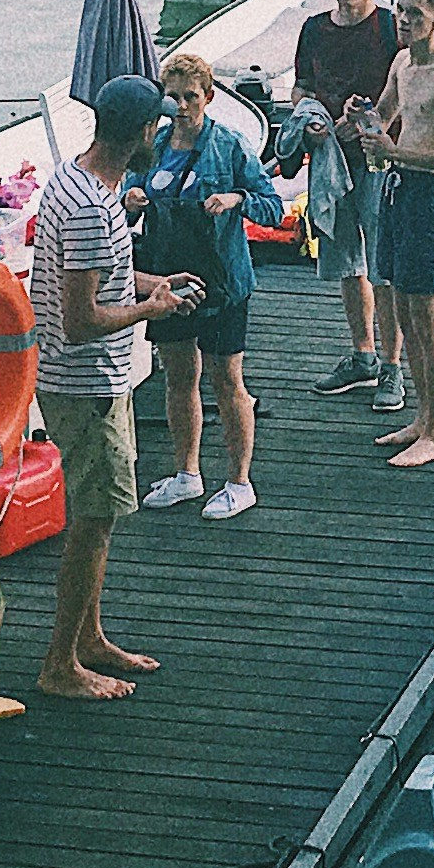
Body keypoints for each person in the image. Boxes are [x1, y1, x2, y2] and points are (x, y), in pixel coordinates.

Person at [29, 75, 201, 703]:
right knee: (94, 520)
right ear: (143, 132)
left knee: (99, 516)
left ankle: (90, 637)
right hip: (86, 384)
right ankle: (60, 663)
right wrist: (152, 309)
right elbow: (81, 321)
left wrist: (155, 280)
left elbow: (104, 278)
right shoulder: (96, 211)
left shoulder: (73, 179)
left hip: (86, 380)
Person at [138, 51, 273, 521]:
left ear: (208, 97)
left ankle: (240, 481)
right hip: (168, 276)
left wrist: (236, 197)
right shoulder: (152, 147)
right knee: (178, 375)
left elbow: (271, 205)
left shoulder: (229, 146)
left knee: (226, 378)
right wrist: (131, 198)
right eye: (171, 97)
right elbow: (124, 197)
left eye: (189, 96)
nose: (180, 106)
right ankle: (186, 473)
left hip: (223, 278)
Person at [364, 0, 434, 470]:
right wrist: (358, 120)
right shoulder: (402, 62)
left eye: (416, 16)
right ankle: (421, 418)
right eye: (401, 12)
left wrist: (397, 152)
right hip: (399, 190)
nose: (405, 22)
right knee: (404, 310)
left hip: (430, 195)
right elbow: (383, 115)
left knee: (428, 317)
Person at [297, 0, 403, 410]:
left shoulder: (388, 29)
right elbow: (301, 86)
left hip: (378, 157)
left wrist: (364, 123)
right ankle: (363, 355)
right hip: (330, 161)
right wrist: (311, 119)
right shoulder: (314, 29)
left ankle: (393, 366)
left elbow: (405, 84)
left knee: (383, 262)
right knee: (345, 260)